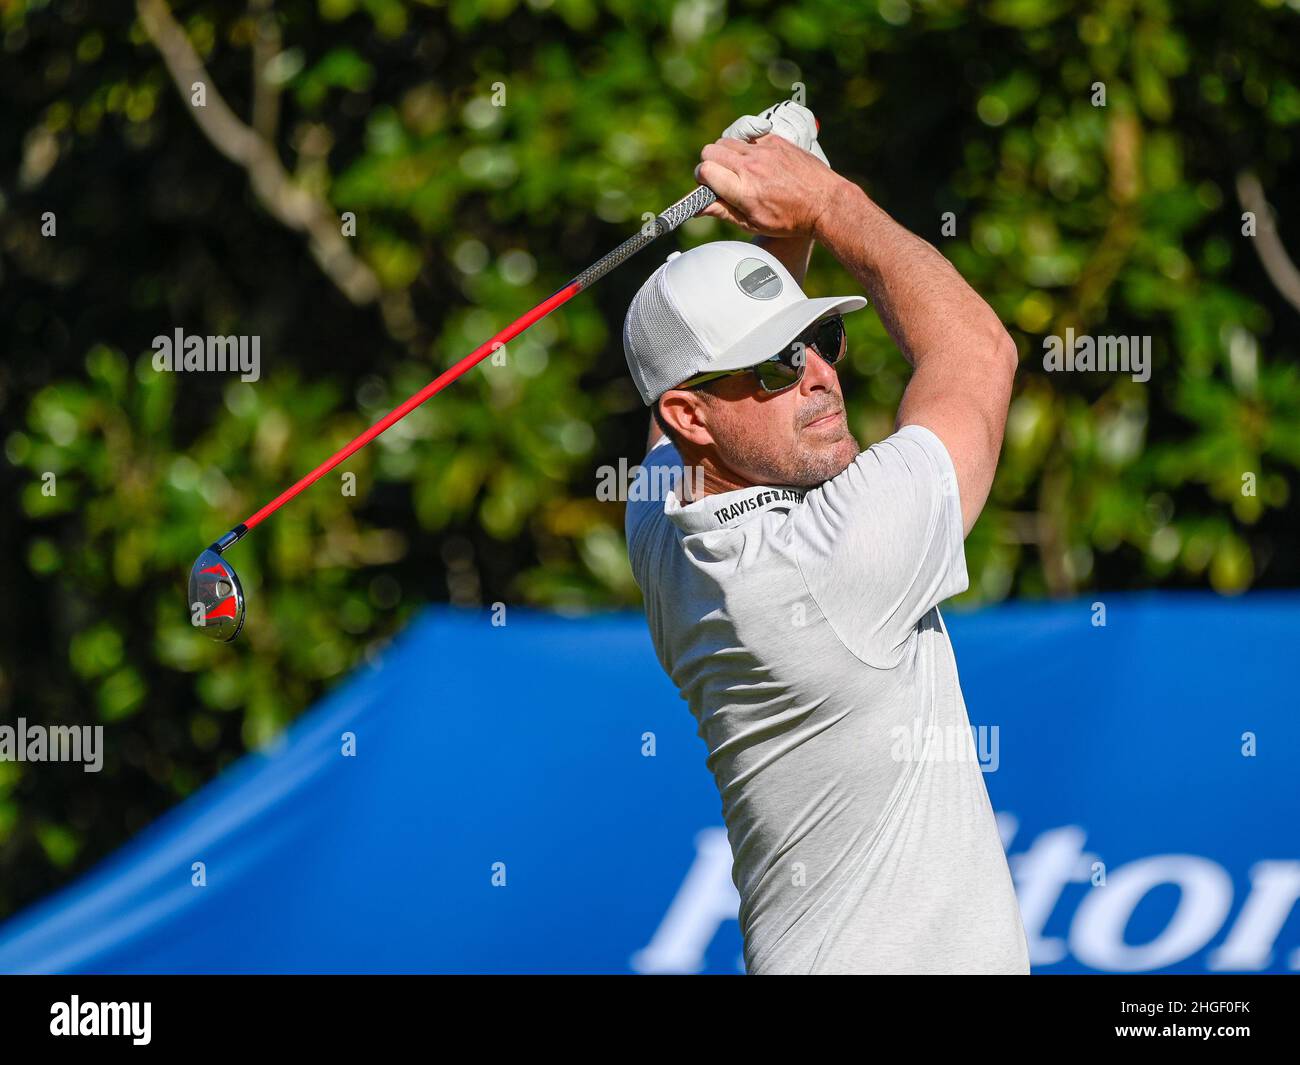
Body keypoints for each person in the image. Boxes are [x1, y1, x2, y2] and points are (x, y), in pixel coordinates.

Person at [623, 102, 1027, 974]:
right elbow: (981, 353)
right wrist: (821, 198)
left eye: (816, 338)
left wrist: (771, 240)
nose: (818, 376)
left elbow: (703, 416)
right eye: (776, 365)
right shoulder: (829, 564)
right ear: (690, 414)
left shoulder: (660, 518)